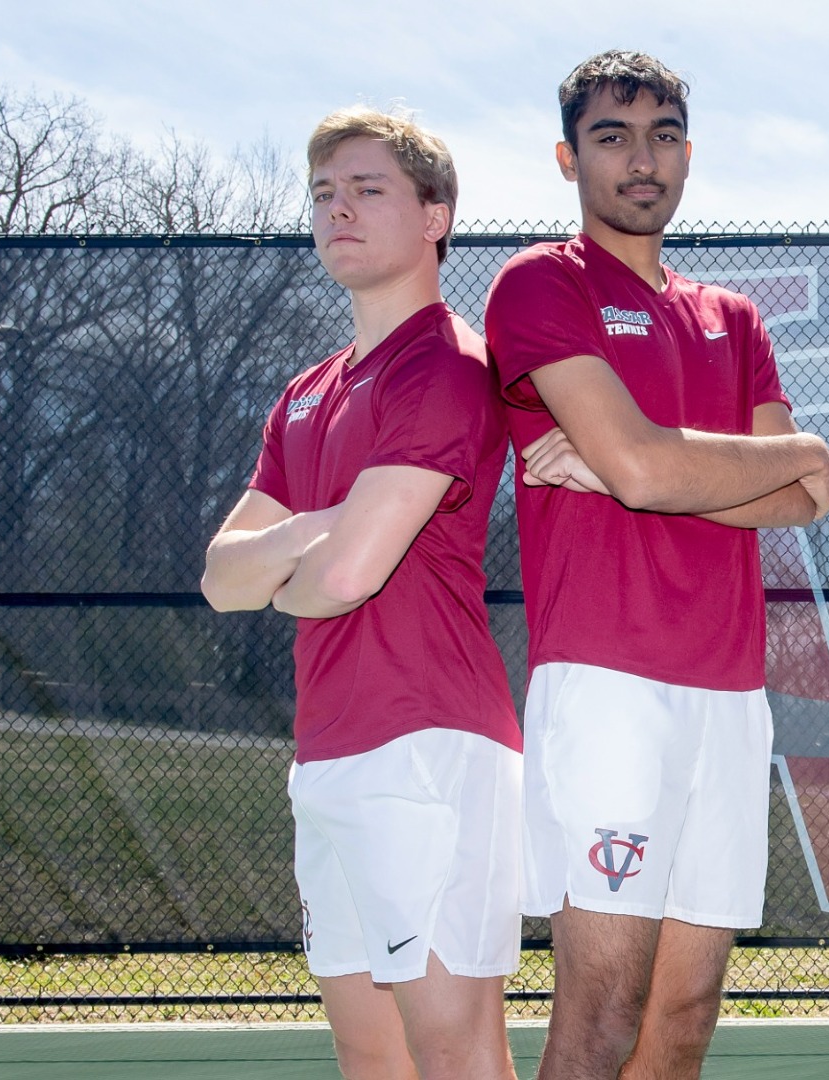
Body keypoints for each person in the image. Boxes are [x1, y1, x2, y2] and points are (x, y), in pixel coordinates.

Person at [480, 50, 829, 1080]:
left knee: (683, 1019)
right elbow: (652, 470)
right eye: (612, 137)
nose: (642, 160)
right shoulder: (542, 283)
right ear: (568, 157)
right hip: (608, 682)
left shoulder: (735, 317)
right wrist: (665, 466)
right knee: (603, 1012)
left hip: (729, 691)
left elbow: (804, 494)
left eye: (663, 136)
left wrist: (639, 466)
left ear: (688, 152)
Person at [201, 107, 521, 1080]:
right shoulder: (306, 392)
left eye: (368, 189)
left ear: (435, 216)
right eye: (324, 194)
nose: (338, 209)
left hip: (428, 742)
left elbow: (347, 579)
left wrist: (290, 563)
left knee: (454, 1049)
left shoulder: (445, 364)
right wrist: (317, 527)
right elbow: (221, 578)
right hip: (328, 751)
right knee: (368, 1051)